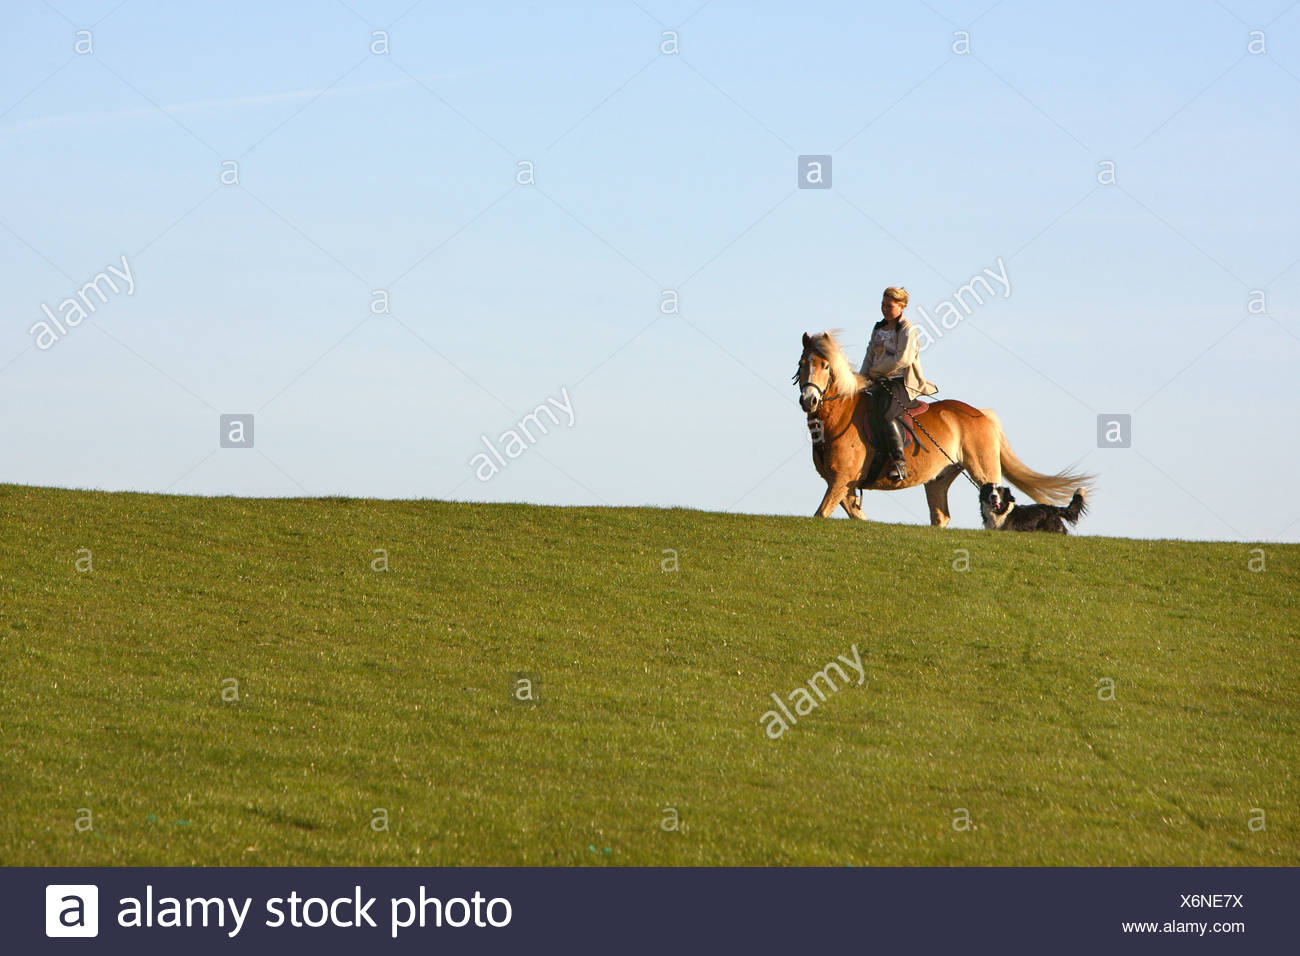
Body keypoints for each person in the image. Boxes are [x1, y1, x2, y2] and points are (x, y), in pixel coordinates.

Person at [860, 286, 938, 482]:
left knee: (887, 414)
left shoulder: (907, 329)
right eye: (883, 305)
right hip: (877, 382)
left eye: (890, 306)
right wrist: (861, 378)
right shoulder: (878, 328)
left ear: (901, 307)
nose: (885, 309)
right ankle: (877, 454)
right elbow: (870, 354)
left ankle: (899, 462)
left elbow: (904, 359)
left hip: (901, 382)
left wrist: (877, 370)